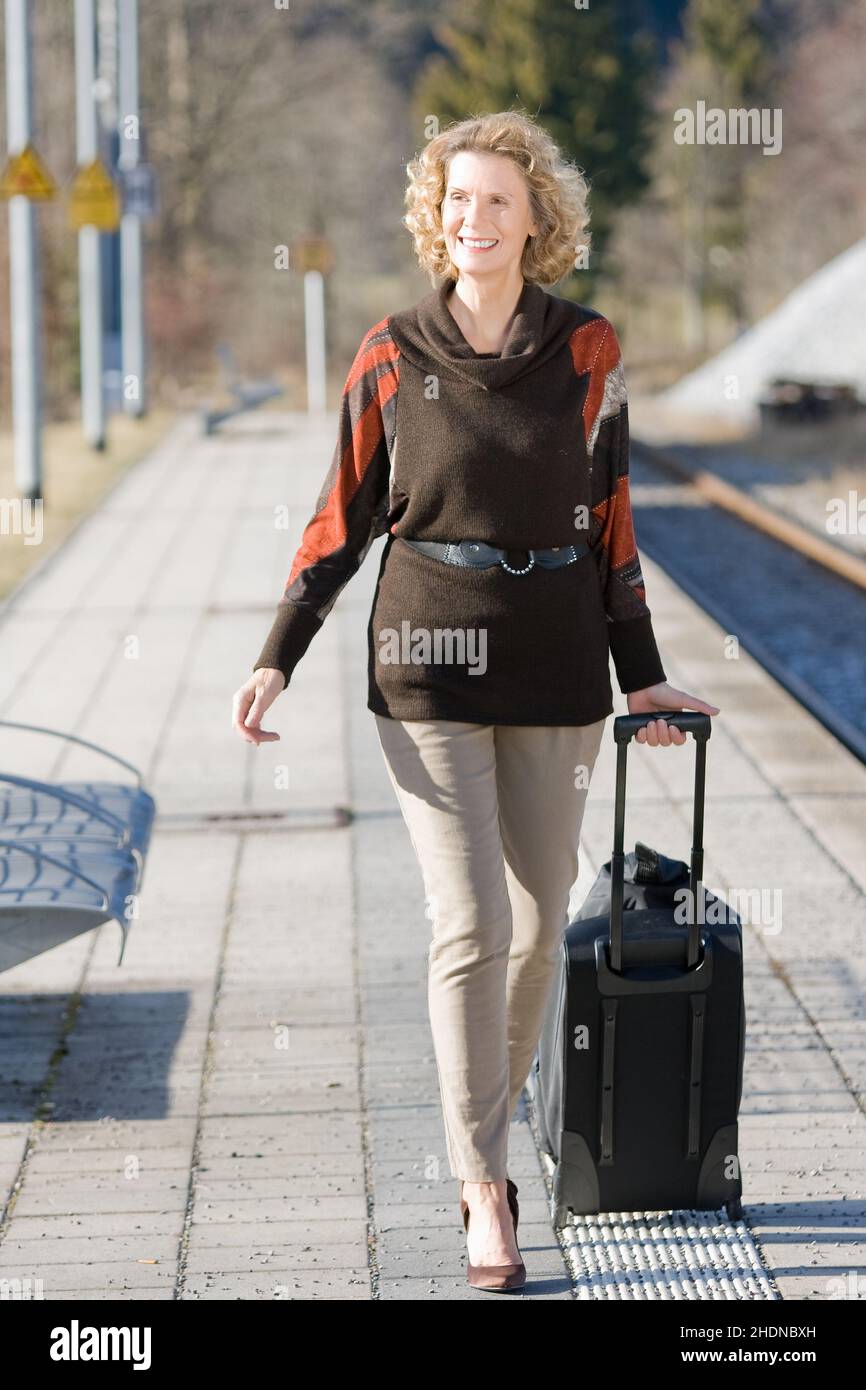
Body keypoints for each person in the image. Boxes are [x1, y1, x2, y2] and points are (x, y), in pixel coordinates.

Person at [232, 109, 720, 1293]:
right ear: (432, 216)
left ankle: (485, 1137)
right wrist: (277, 651)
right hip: (425, 665)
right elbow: (338, 519)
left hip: (556, 668)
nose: (474, 218)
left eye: (497, 200)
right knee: (470, 925)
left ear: (534, 219)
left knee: (542, 925)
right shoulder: (389, 354)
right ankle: (482, 1183)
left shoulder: (590, 351)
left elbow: (610, 526)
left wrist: (638, 668)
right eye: (456, 200)